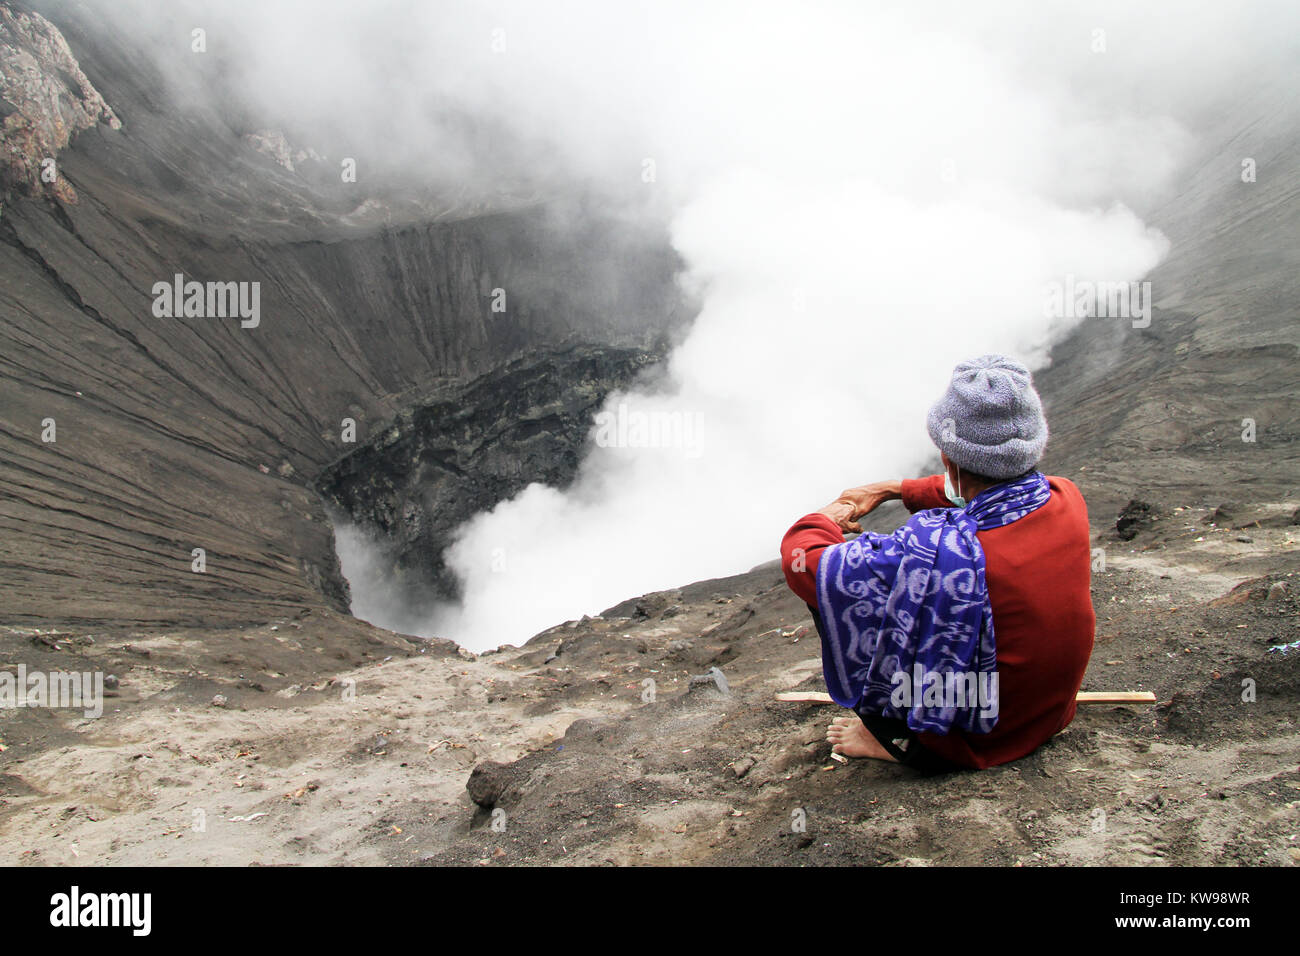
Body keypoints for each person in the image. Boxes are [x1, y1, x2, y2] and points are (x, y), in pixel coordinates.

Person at [779, 355, 1095, 772]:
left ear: (948, 459)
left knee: (835, 589)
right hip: (1047, 714)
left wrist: (829, 515)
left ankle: (899, 738)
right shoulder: (1064, 496)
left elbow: (803, 562)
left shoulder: (933, 557)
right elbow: (983, 486)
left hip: (977, 738)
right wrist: (895, 489)